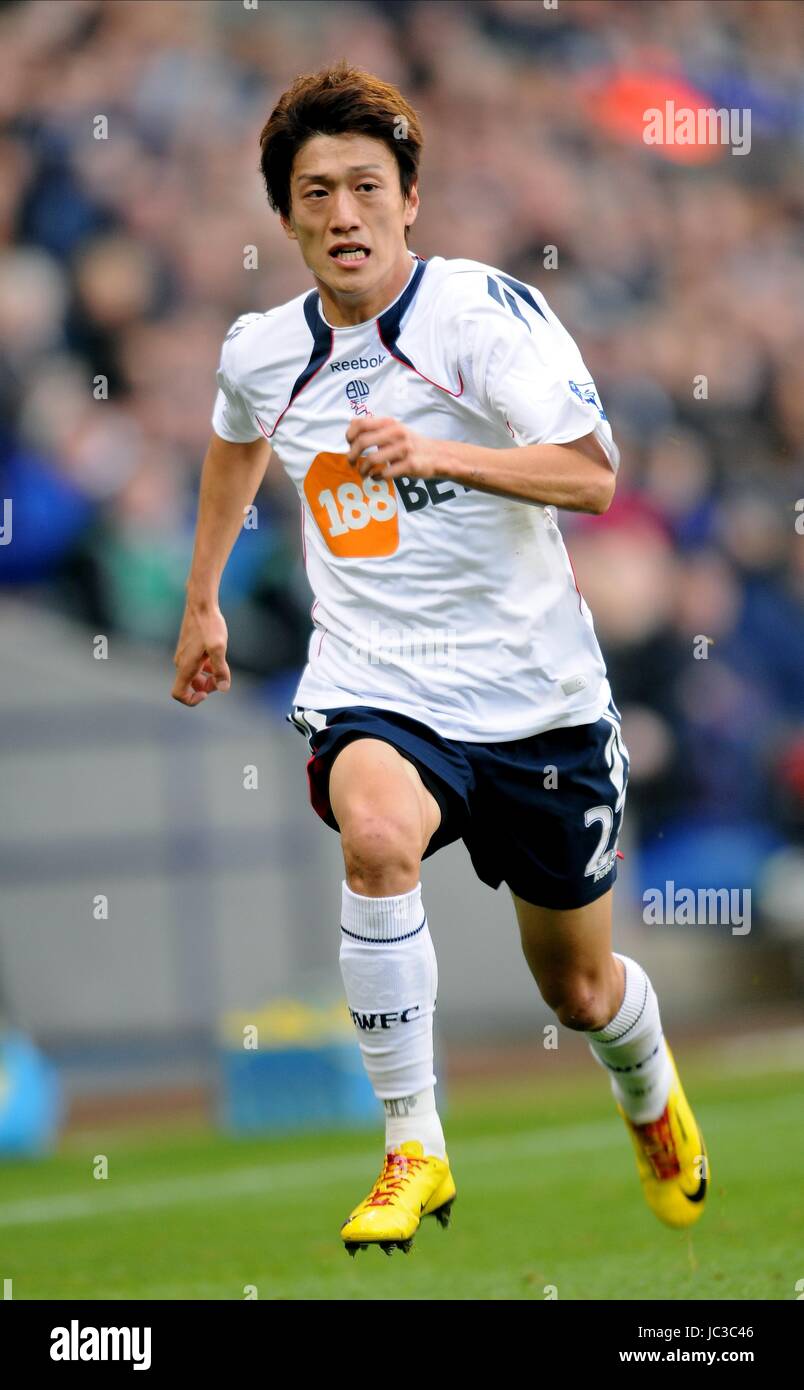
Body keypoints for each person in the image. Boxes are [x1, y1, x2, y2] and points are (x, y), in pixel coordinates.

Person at [172, 60, 708, 1256]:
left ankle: (647, 1085)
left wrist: (435, 452)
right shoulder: (264, 350)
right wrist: (203, 597)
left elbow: (591, 472)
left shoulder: (480, 317)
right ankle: (413, 1144)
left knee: (576, 990)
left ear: (411, 197)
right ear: (288, 215)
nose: (344, 213)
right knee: (374, 836)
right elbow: (232, 443)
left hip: (538, 702)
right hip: (381, 684)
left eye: (367, 186)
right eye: (317, 192)